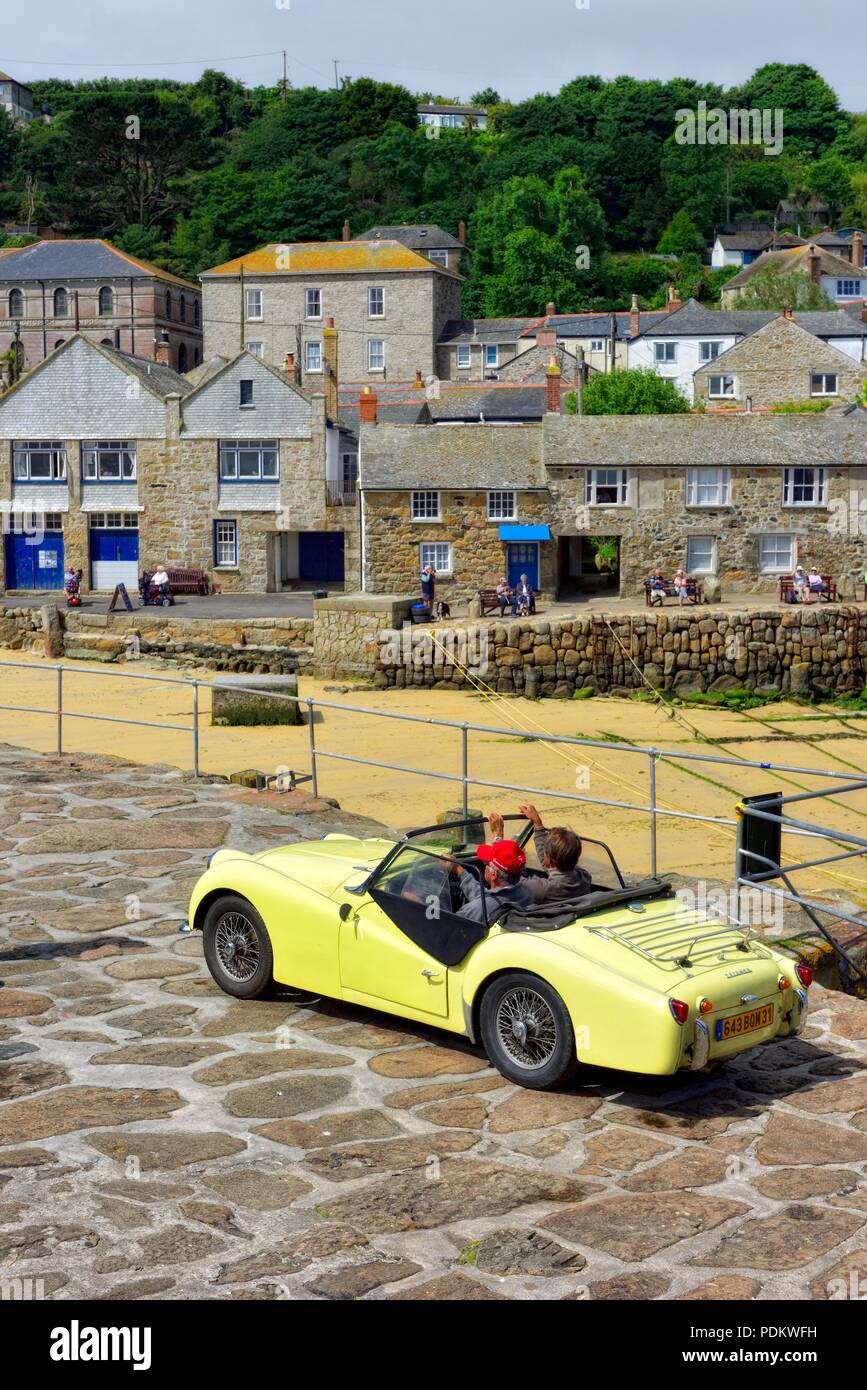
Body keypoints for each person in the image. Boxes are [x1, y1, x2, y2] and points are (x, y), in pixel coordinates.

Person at [489, 806, 592, 903]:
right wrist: (537, 824)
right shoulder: (584, 877)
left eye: (545, 852)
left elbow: (506, 876)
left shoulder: (543, 889)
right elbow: (553, 863)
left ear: (550, 860)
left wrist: (497, 838)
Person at [452, 839, 534, 923]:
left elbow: (448, 926)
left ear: (494, 875)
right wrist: (458, 869)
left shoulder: (477, 909)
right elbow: (487, 897)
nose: (484, 867)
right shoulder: (527, 893)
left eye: (485, 864)